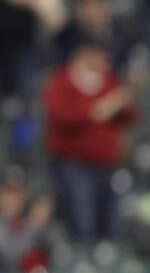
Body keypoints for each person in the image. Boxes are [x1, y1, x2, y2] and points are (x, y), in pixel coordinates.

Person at [44, 40, 138, 246]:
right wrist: (95, 110)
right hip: (74, 163)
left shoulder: (109, 82)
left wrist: (123, 101)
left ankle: (105, 256)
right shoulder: (62, 82)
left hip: (107, 163)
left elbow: (129, 117)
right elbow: (59, 117)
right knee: (82, 215)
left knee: (109, 216)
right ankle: (82, 257)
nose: (104, 62)